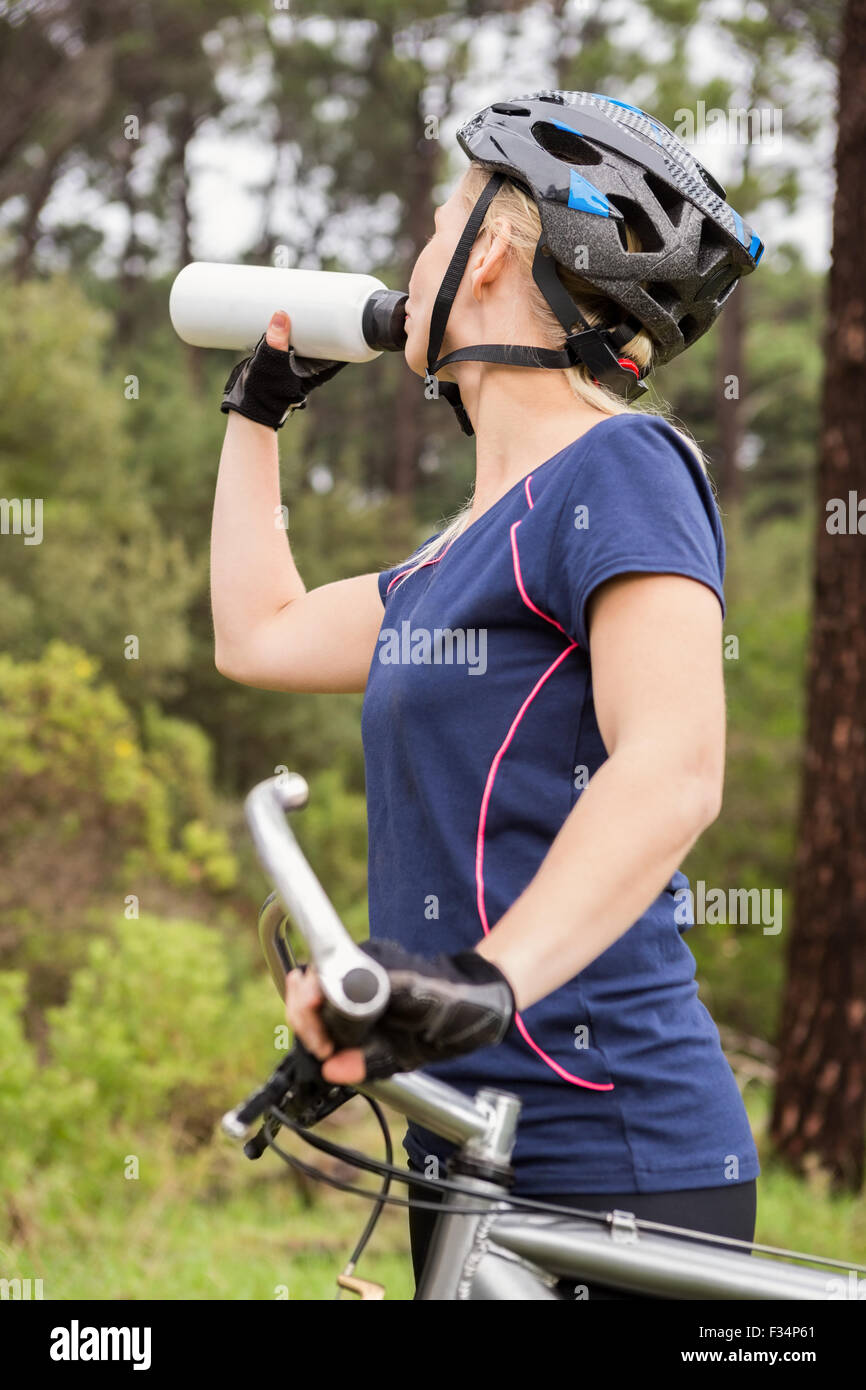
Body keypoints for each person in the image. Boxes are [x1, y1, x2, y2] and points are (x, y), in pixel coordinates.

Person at [211, 90, 765, 1298]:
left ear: (493, 255)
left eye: (436, 220)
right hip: (463, 1143)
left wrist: (487, 979)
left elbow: (671, 763)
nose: (412, 257)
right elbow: (258, 634)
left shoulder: (621, 465)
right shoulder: (455, 552)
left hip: (609, 1144)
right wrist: (256, 408)